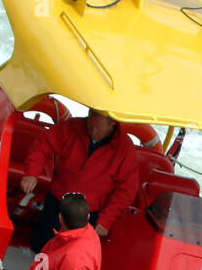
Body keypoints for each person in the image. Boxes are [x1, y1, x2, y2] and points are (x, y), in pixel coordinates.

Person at [20, 107, 140, 250]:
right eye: (90, 125)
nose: (92, 132)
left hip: (89, 213)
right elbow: (43, 144)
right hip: (58, 202)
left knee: (73, 254)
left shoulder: (125, 149)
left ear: (112, 123)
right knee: (42, 245)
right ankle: (38, 269)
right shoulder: (71, 127)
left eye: (97, 128)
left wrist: (106, 220)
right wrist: (31, 173)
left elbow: (127, 190)